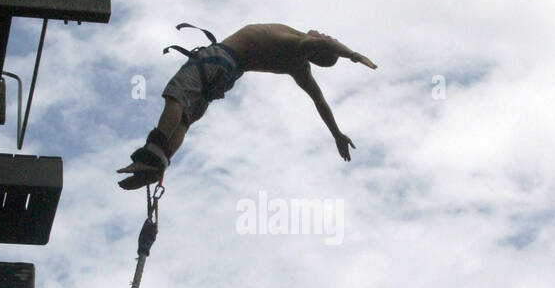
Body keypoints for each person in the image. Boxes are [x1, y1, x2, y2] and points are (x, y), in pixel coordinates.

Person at [117, 22, 377, 188]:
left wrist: (353, 55)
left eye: (324, 36)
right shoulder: (299, 68)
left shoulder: (300, 43)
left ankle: (150, 155)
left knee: (176, 98)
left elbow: (328, 44)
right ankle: (160, 162)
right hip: (228, 75)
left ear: (318, 48)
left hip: (219, 58)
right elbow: (320, 102)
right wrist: (336, 134)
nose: (322, 31)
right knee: (185, 118)